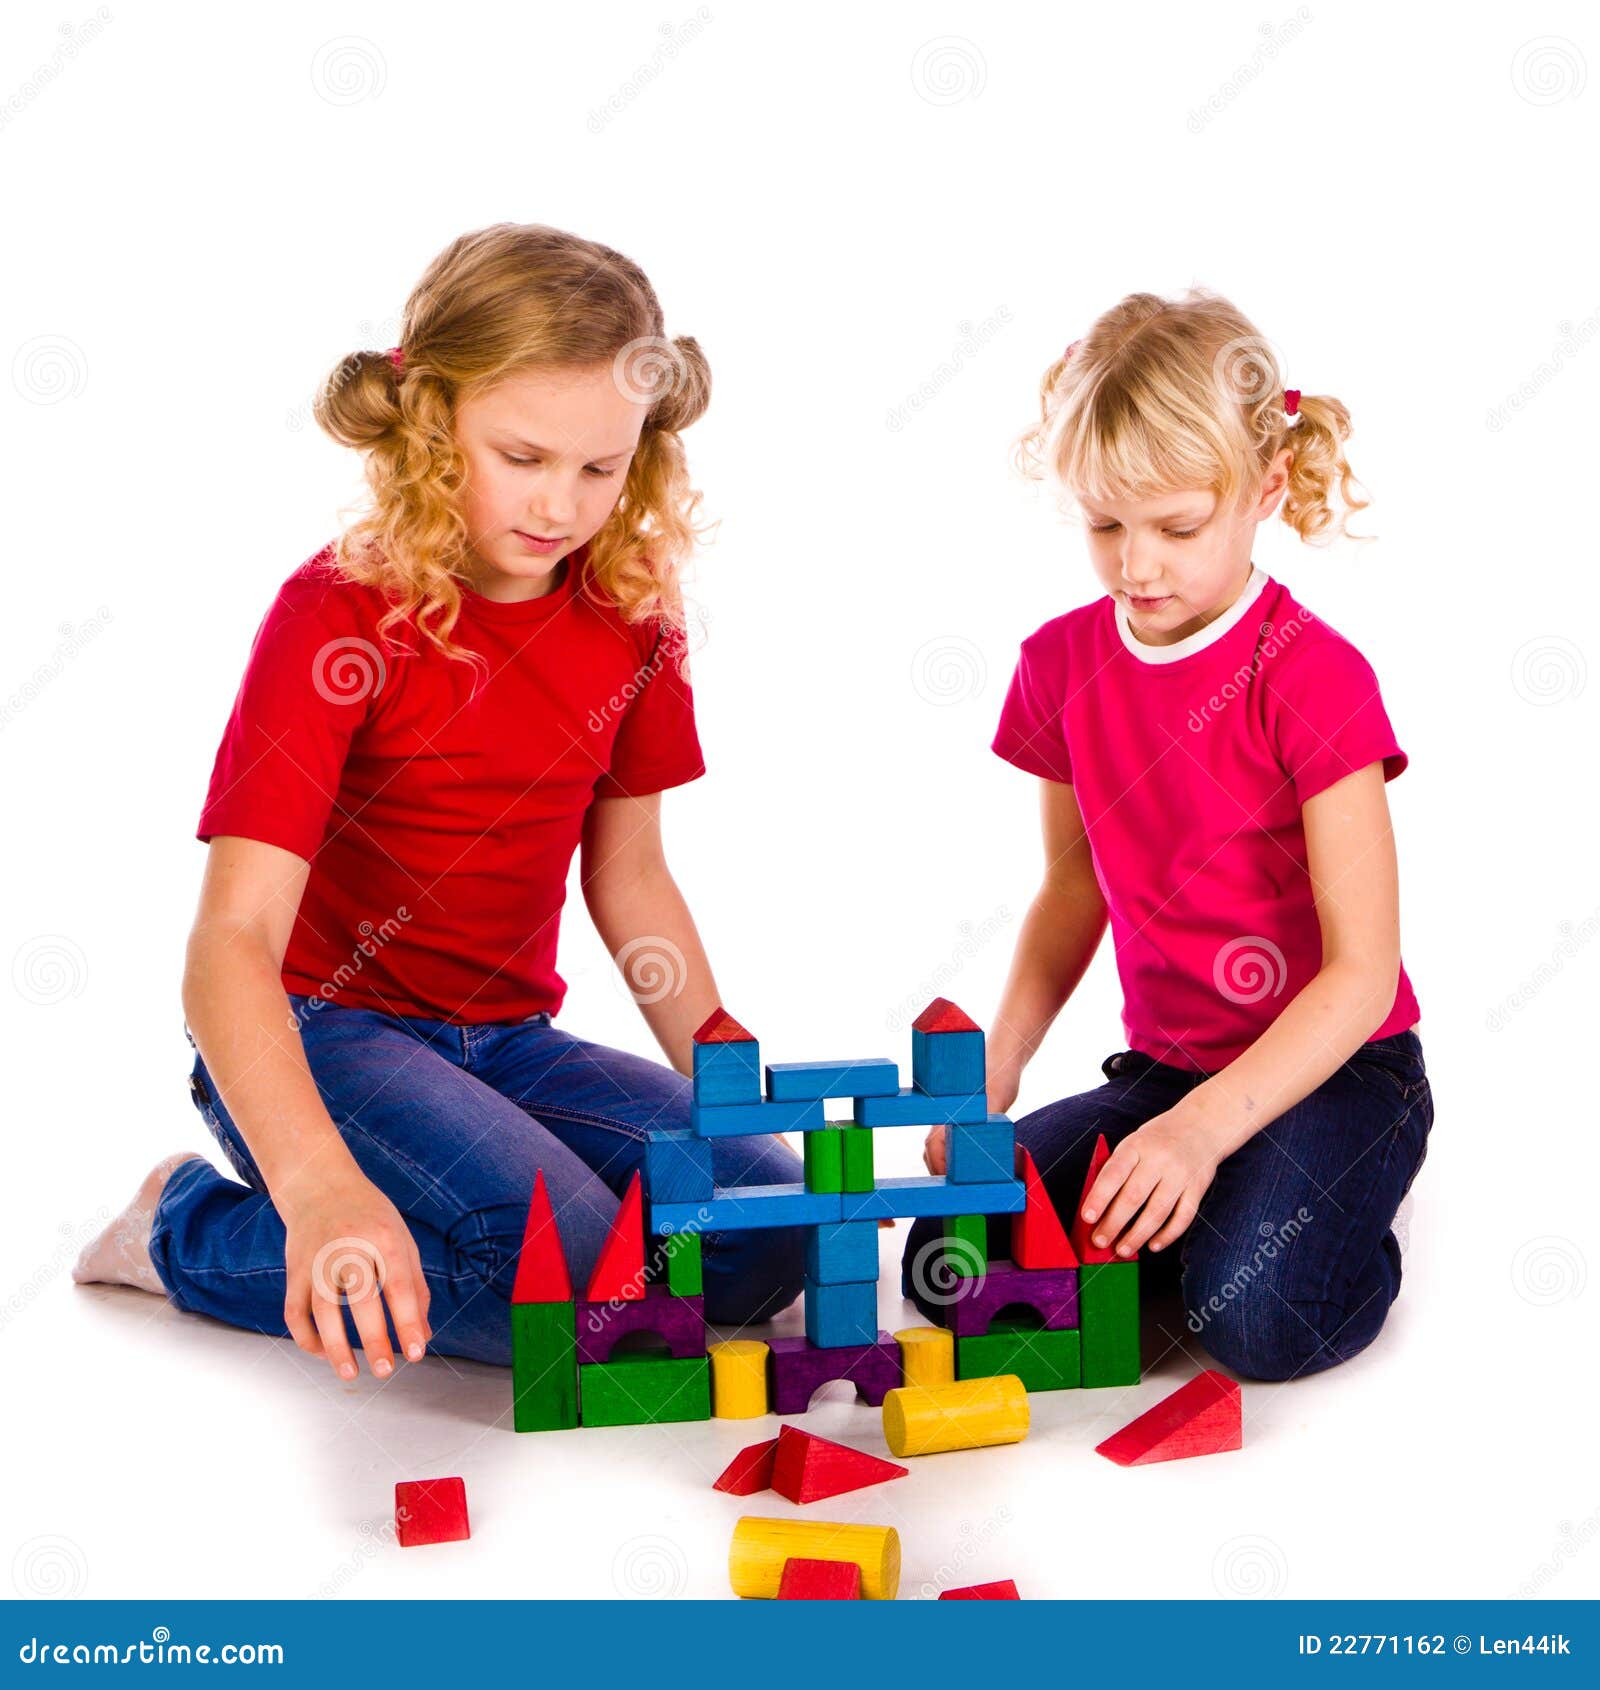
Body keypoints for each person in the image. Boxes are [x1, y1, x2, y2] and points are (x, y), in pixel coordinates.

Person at [73, 222, 805, 1373]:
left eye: (599, 468)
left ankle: (452, 1221)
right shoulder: (338, 618)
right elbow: (231, 939)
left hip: (508, 1042)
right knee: (556, 1283)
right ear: (433, 425)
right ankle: (184, 1228)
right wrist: (316, 1187)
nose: (561, 505)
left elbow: (629, 874)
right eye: (523, 456)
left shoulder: (630, 618)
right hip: (321, 1032)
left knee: (768, 1231)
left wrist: (733, 1078)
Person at [902, 288, 1432, 1382]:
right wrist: (993, 1069)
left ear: (1264, 490)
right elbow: (1069, 893)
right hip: (1163, 1070)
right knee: (944, 1268)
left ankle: (1325, 1210)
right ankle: (1206, 1221)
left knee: (1258, 1322)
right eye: (1104, 525)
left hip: (1339, 1070)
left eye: (1177, 528)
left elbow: (1362, 970)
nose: (1136, 566)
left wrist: (1206, 1134)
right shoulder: (1059, 665)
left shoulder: (1314, 678)